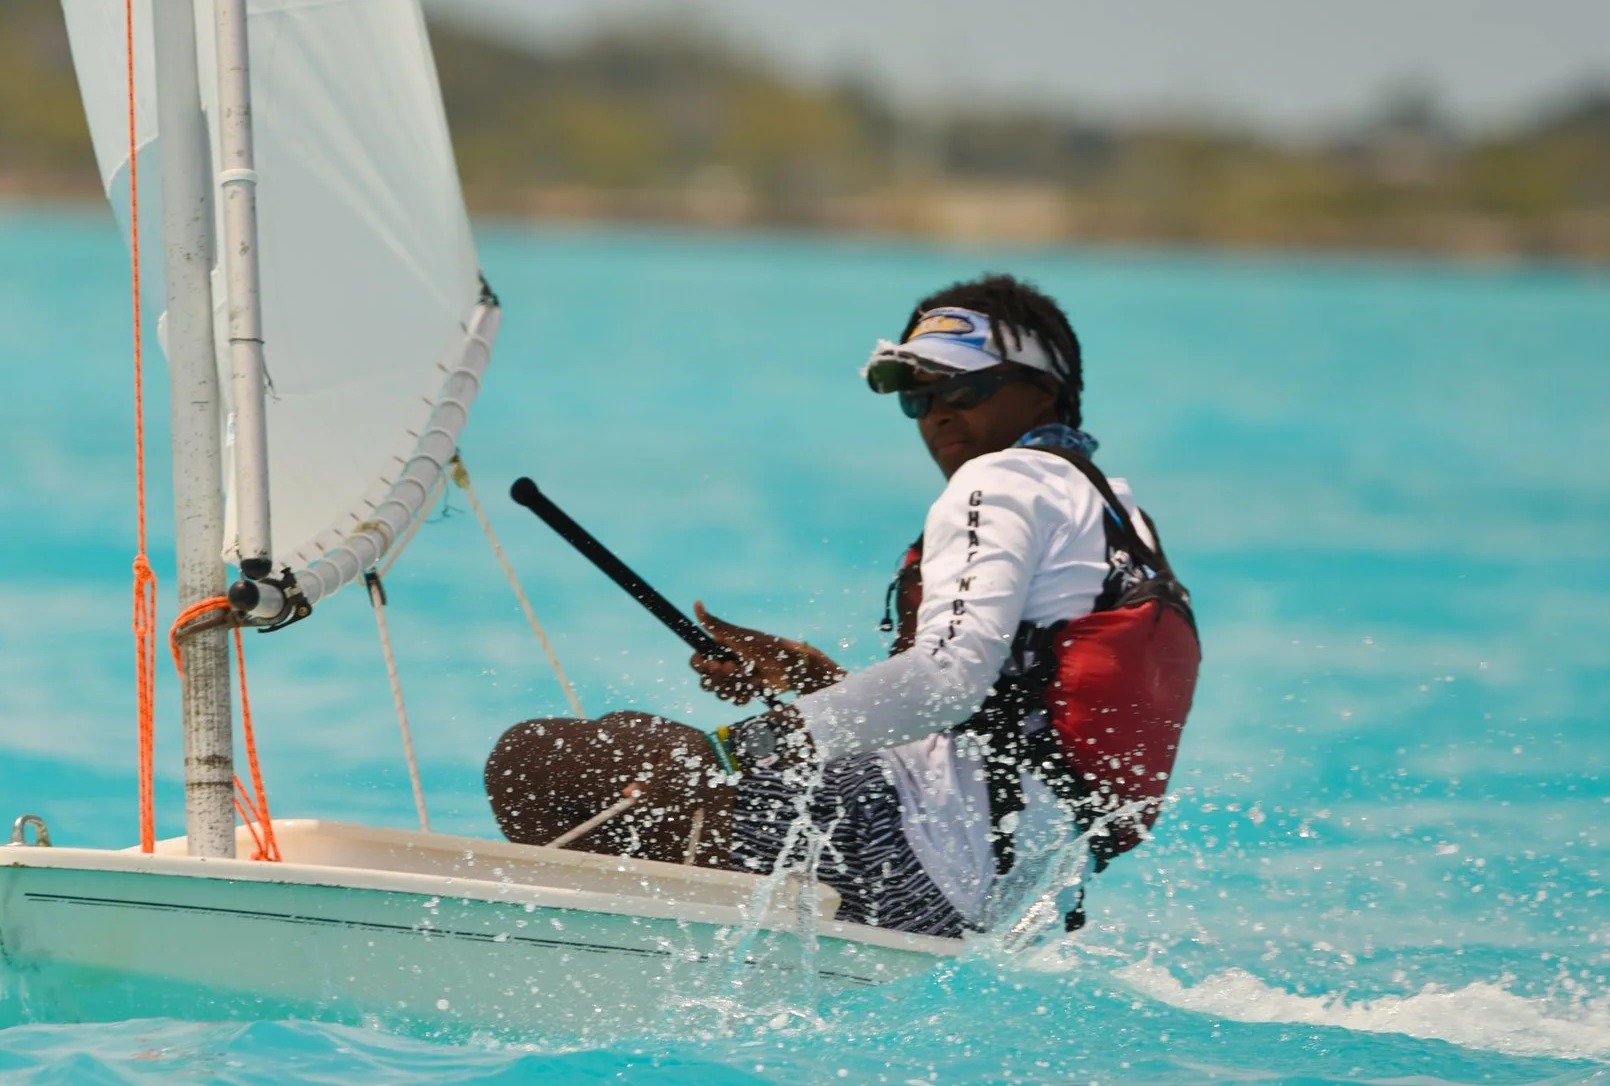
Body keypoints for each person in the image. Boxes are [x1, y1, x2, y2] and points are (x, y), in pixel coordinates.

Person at [483, 272, 1198, 939]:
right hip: (1011, 890)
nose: (938, 413)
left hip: (909, 857)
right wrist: (814, 681)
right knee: (633, 744)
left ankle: (633, 981)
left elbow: (949, 682)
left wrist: (736, 746)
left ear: (1042, 391)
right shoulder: (1114, 508)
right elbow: (1008, 712)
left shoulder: (999, 481)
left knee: (540, 761)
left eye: (962, 389)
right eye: (917, 394)